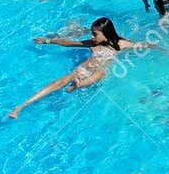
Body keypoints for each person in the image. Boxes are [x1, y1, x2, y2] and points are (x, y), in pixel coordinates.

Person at [9, 17, 153, 119]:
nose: (92, 36)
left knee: (99, 73)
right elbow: (68, 43)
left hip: (101, 71)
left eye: (95, 34)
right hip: (83, 68)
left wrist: (162, 49)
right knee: (59, 82)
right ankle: (22, 106)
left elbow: (143, 45)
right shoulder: (92, 43)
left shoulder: (121, 44)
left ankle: (79, 85)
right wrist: (48, 41)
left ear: (106, 33)